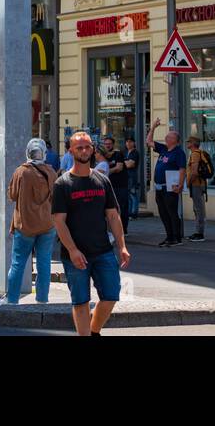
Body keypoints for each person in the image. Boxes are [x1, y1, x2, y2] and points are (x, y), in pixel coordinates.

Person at [52, 131, 130, 336]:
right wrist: (73, 250)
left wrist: (122, 246)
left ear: (93, 150)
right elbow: (59, 221)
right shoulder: (62, 184)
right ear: (70, 151)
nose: (84, 150)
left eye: (87, 147)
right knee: (81, 302)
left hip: (103, 250)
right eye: (79, 147)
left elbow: (113, 216)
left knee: (111, 296)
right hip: (75, 255)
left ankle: (94, 331)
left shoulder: (102, 180)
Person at [6, 138, 57, 304]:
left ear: (28, 152)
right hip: (48, 224)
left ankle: (12, 299)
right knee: (44, 263)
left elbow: (12, 196)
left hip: (25, 224)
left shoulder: (21, 171)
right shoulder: (51, 172)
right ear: (44, 153)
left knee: (18, 263)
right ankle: (42, 299)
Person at [146, 120, 186, 247]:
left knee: (172, 212)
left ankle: (176, 238)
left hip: (170, 187)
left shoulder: (179, 152)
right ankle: (169, 236)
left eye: (169, 136)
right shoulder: (163, 149)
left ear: (175, 140)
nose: (166, 137)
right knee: (163, 213)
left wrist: (180, 185)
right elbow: (149, 142)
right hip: (159, 187)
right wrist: (153, 127)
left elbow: (182, 169)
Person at [184, 134, 212, 242]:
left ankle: (199, 233)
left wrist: (189, 182)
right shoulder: (196, 153)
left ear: (192, 144)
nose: (187, 144)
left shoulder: (195, 154)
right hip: (198, 184)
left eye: (188, 142)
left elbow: (195, 172)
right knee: (197, 208)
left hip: (196, 184)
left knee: (199, 209)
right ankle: (198, 232)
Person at [102, 136, 131, 237]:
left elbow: (119, 168)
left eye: (109, 144)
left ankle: (124, 230)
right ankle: (113, 229)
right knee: (111, 209)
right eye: (106, 144)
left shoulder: (118, 154)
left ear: (113, 144)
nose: (107, 145)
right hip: (109, 186)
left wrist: (105, 172)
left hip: (121, 186)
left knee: (122, 207)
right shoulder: (104, 156)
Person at [124, 137, 140, 218]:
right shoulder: (126, 152)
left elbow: (130, 164)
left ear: (134, 143)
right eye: (127, 141)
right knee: (128, 196)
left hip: (132, 177)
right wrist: (126, 163)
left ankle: (134, 213)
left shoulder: (135, 152)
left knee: (133, 195)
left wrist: (125, 163)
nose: (128, 143)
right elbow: (125, 164)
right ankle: (129, 212)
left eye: (130, 142)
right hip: (126, 176)